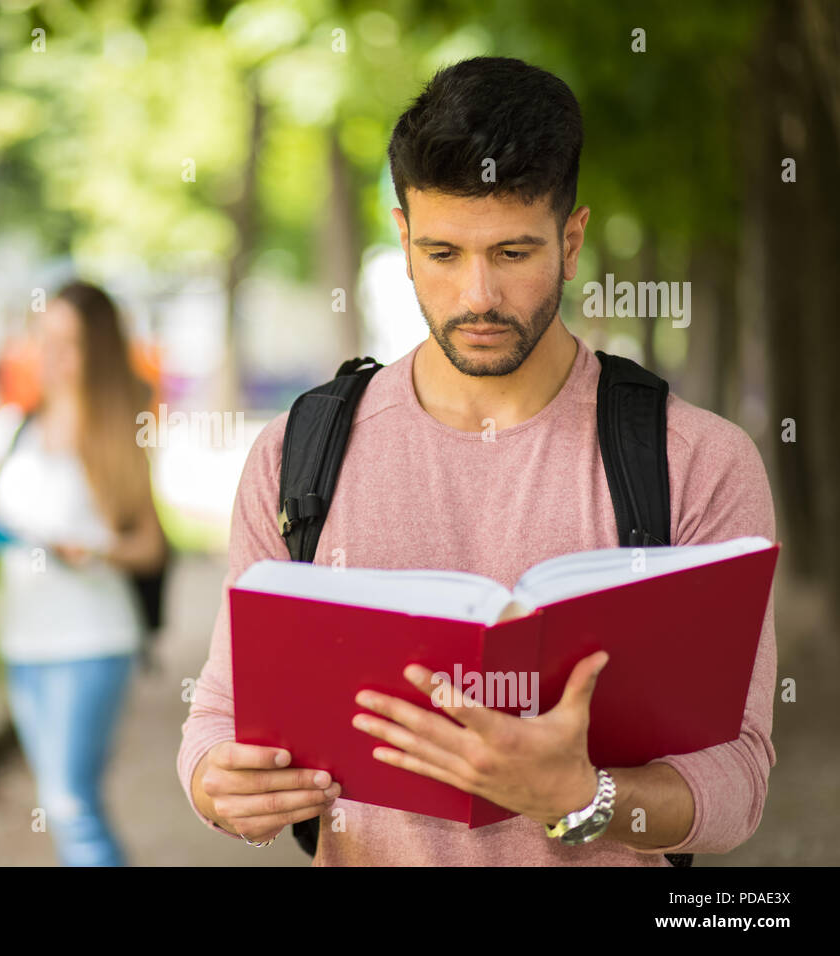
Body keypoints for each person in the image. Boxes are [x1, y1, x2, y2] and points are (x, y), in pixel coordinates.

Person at [179, 56, 777, 865]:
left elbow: (737, 779)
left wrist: (584, 799)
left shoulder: (697, 461)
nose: (478, 297)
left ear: (571, 240)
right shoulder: (296, 454)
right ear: (402, 237)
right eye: (443, 254)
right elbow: (218, 712)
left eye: (513, 253)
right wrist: (217, 785)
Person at [0, 280, 166, 866]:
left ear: (98, 349)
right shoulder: (17, 426)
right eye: (46, 338)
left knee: (70, 804)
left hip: (93, 640)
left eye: (71, 342)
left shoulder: (117, 430)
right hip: (26, 641)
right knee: (63, 804)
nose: (54, 355)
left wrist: (95, 550)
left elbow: (149, 547)